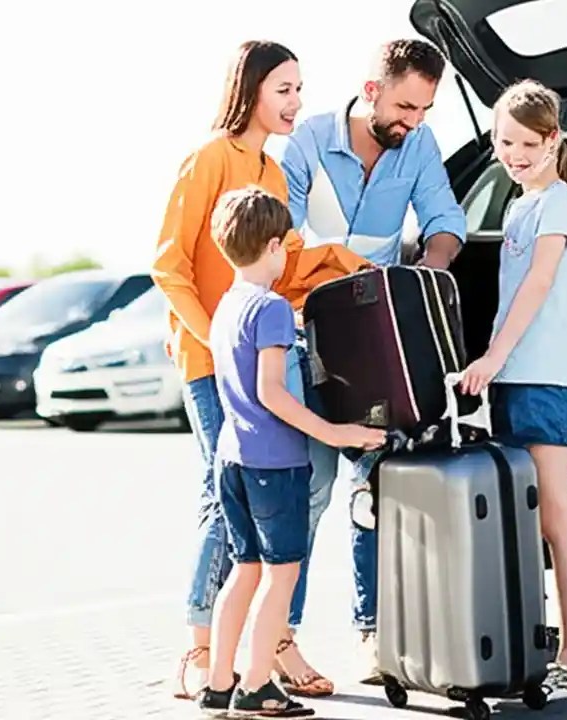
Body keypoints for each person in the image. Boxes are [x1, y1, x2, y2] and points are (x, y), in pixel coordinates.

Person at [278, 37, 467, 684]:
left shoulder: (418, 146)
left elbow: (444, 219)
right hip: (308, 337)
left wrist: (429, 271)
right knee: (308, 490)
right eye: (407, 107)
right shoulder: (304, 144)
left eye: (425, 110)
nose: (415, 122)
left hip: (379, 342)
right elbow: (288, 240)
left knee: (375, 489)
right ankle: (280, 639)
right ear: (371, 91)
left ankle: (375, 638)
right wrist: (354, 270)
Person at [151, 39, 330, 699]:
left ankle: (273, 640)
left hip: (261, 359)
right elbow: (168, 265)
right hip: (208, 359)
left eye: (299, 89)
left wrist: (359, 265)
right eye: (284, 88)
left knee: (289, 497)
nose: (295, 102)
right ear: (250, 89)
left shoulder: (274, 174)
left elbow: (292, 264)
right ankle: (201, 651)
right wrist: (220, 344)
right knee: (219, 495)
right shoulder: (206, 159)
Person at [196, 185, 386, 717]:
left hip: (231, 460)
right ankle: (256, 686)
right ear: (276, 247)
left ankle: (217, 682)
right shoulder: (273, 307)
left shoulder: (225, 307)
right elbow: (271, 391)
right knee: (282, 574)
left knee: (246, 569)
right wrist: (336, 434)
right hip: (274, 465)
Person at [458, 78, 567, 702]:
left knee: (556, 515)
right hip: (515, 378)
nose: (510, 153)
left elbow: (538, 286)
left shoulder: (558, 201)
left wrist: (492, 355)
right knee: (529, 518)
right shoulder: (517, 205)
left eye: (522, 142)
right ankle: (531, 649)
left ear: (551, 140)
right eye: (502, 141)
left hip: (544, 377)